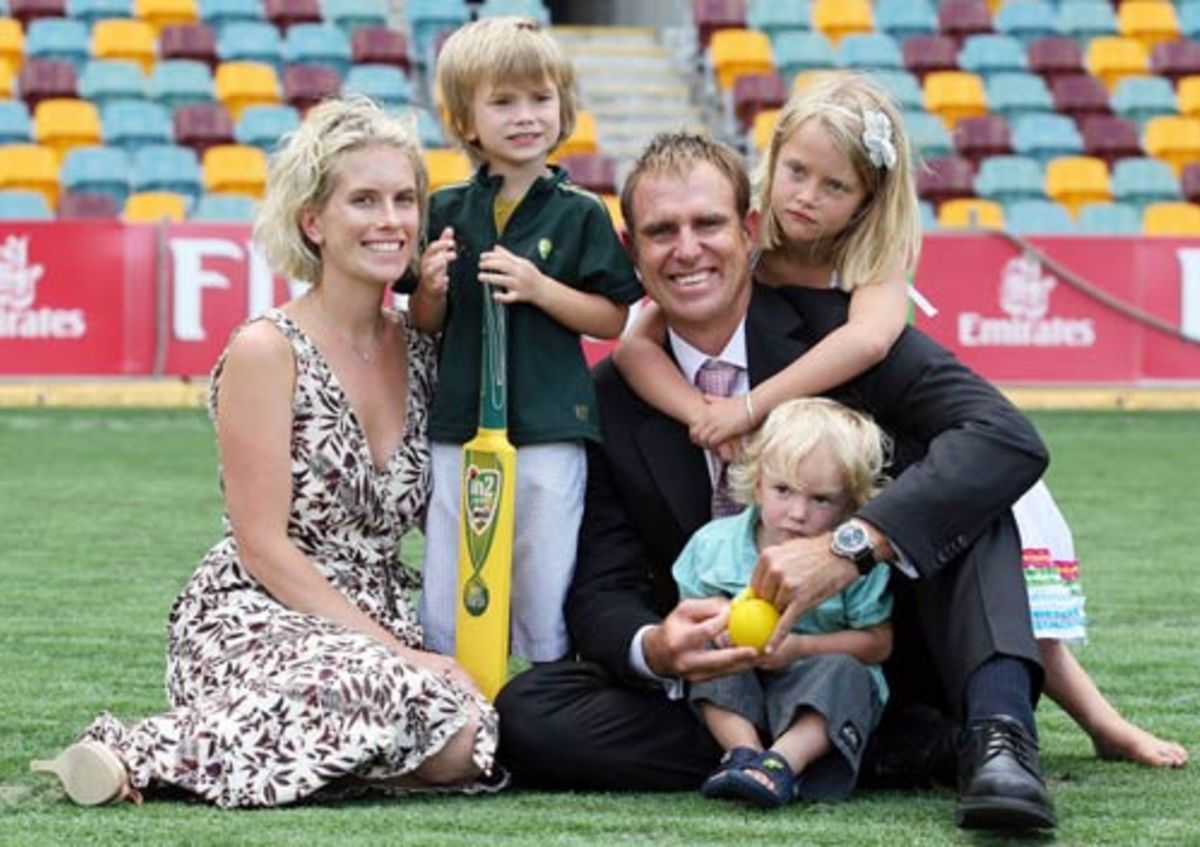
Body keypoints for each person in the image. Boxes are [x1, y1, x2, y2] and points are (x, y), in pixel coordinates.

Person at [616, 72, 1189, 772]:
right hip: (806, 469)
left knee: (974, 530)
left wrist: (747, 407)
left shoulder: (871, 266)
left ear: (868, 199)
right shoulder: (741, 241)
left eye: (835, 187)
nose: (807, 197)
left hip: (884, 466)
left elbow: (867, 344)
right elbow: (632, 340)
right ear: (772, 163)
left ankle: (1089, 720)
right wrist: (699, 410)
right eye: (796, 172)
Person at [496, 129, 1057, 831]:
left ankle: (998, 737)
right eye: (662, 231)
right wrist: (658, 644)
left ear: (750, 228)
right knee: (529, 713)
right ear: (632, 249)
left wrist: (851, 545)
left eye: (708, 223)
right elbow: (602, 586)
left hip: (871, 648)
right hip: (717, 680)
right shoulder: (609, 394)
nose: (688, 248)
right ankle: (846, 749)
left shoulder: (838, 333)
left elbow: (1004, 437)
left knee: (961, 496)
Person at [30, 97, 504, 808]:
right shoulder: (266, 348)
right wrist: (398, 652)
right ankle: (132, 750)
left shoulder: (422, 347)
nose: (391, 220)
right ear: (313, 221)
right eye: (364, 200)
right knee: (373, 684)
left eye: (405, 199)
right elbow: (262, 547)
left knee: (467, 735)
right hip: (258, 610)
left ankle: (293, 760)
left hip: (375, 611)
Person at [404, 16, 642, 662]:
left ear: (564, 107)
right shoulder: (445, 209)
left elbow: (612, 318)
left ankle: (545, 684)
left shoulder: (581, 210)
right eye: (502, 101)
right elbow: (425, 324)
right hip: (457, 423)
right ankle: (449, 695)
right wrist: (428, 288)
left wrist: (541, 288)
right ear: (465, 118)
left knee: (543, 565)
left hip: (550, 425)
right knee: (454, 565)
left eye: (539, 98)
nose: (525, 116)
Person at [677, 398, 893, 809]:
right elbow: (685, 623)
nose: (797, 513)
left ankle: (781, 764)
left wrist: (800, 647)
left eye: (821, 499)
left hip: (814, 687)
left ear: (850, 503)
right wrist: (719, 627)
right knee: (705, 653)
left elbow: (879, 643)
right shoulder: (712, 545)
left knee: (848, 673)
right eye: (783, 490)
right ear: (756, 483)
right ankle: (742, 753)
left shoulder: (855, 564)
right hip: (741, 684)